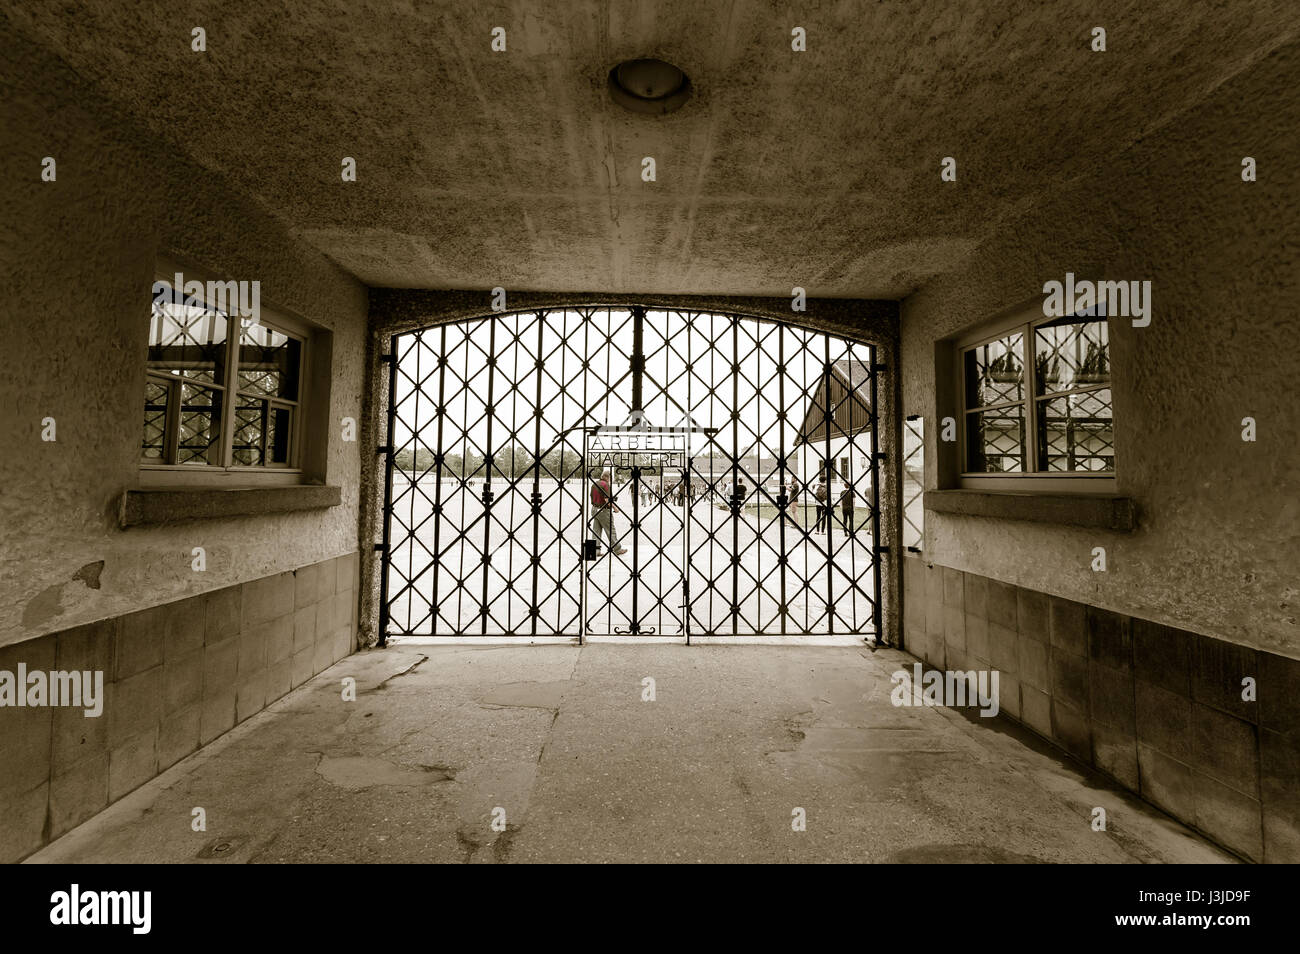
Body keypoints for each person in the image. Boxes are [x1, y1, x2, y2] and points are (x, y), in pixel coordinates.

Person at [590, 470, 627, 557]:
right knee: (610, 529)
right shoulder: (605, 485)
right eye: (610, 478)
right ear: (608, 477)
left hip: (594, 509)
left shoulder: (595, 484)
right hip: (603, 510)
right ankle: (617, 549)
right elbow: (607, 499)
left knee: (596, 531)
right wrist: (615, 508)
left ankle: (594, 551)